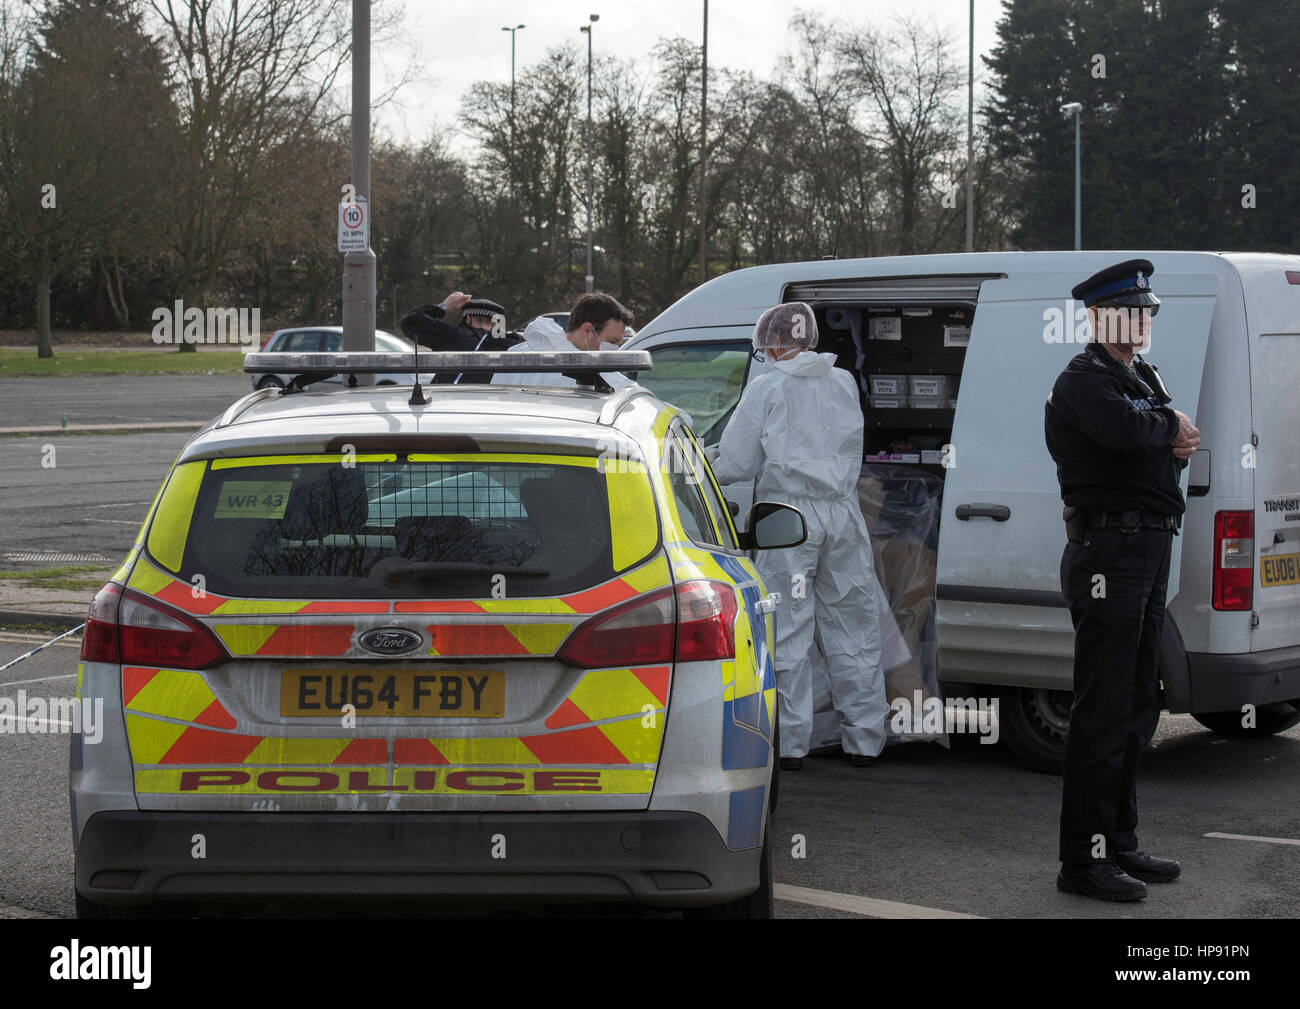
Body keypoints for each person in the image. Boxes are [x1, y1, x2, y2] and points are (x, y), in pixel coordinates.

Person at [1044, 258, 1200, 902]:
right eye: (1132, 313)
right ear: (1101, 315)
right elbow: (1128, 429)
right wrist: (1172, 429)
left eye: (1147, 313)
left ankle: (1121, 843)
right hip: (1111, 550)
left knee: (1137, 703)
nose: (1142, 323)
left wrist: (1171, 435)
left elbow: (1157, 433)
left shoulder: (1136, 374)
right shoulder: (1082, 380)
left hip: (1146, 545)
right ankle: (1083, 862)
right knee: (1103, 709)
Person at [712, 302, 887, 770]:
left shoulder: (767, 386)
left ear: (771, 342)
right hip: (842, 516)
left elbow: (736, 463)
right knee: (854, 624)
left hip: (789, 519)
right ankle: (866, 740)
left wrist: (697, 461)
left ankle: (790, 745)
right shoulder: (843, 380)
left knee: (787, 627)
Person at [492, 292, 637, 389]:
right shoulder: (590, 374)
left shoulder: (514, 355)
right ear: (587, 330)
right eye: (612, 342)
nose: (615, 350)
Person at [400, 292, 521, 383]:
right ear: (496, 323)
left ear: (467, 318)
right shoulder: (513, 344)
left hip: (450, 407)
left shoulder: (454, 336)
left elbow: (410, 322)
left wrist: (444, 306)